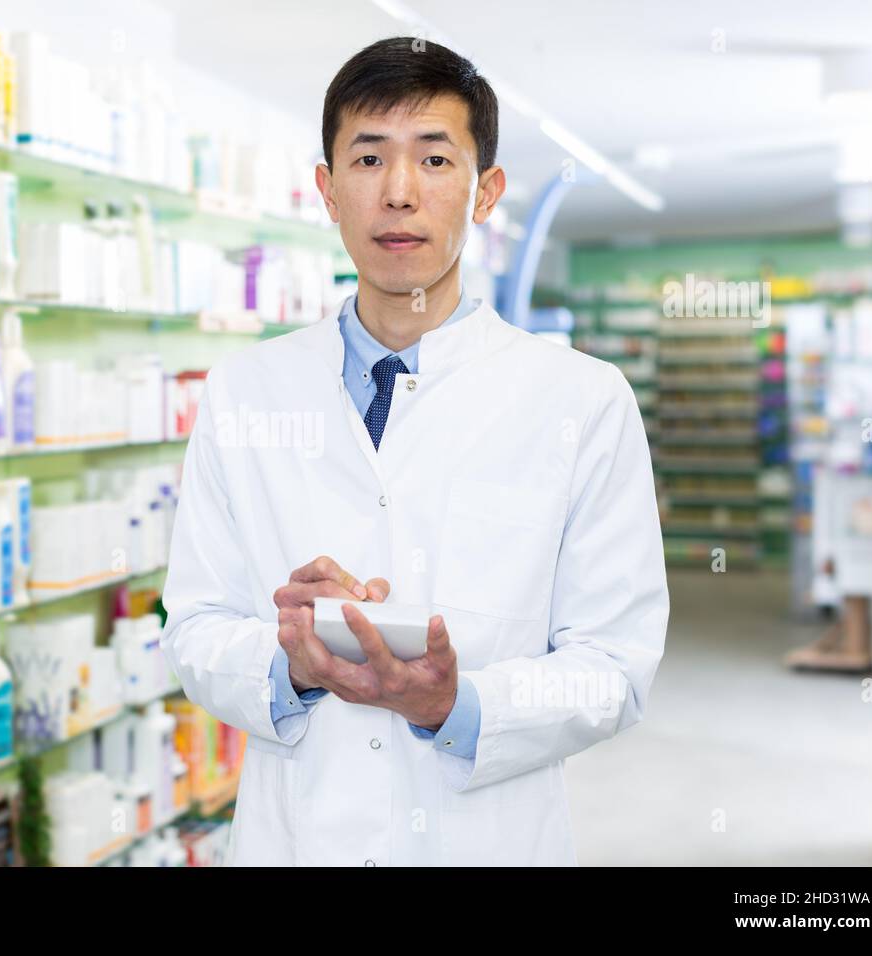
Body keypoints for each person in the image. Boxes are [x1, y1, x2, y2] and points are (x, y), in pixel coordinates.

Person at [161, 36, 669, 866]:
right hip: (296, 838)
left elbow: (614, 664)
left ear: (485, 191)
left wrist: (456, 704)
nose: (399, 194)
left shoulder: (582, 399)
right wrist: (291, 662)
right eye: (368, 159)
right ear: (326, 190)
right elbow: (194, 629)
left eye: (435, 159)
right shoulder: (245, 392)